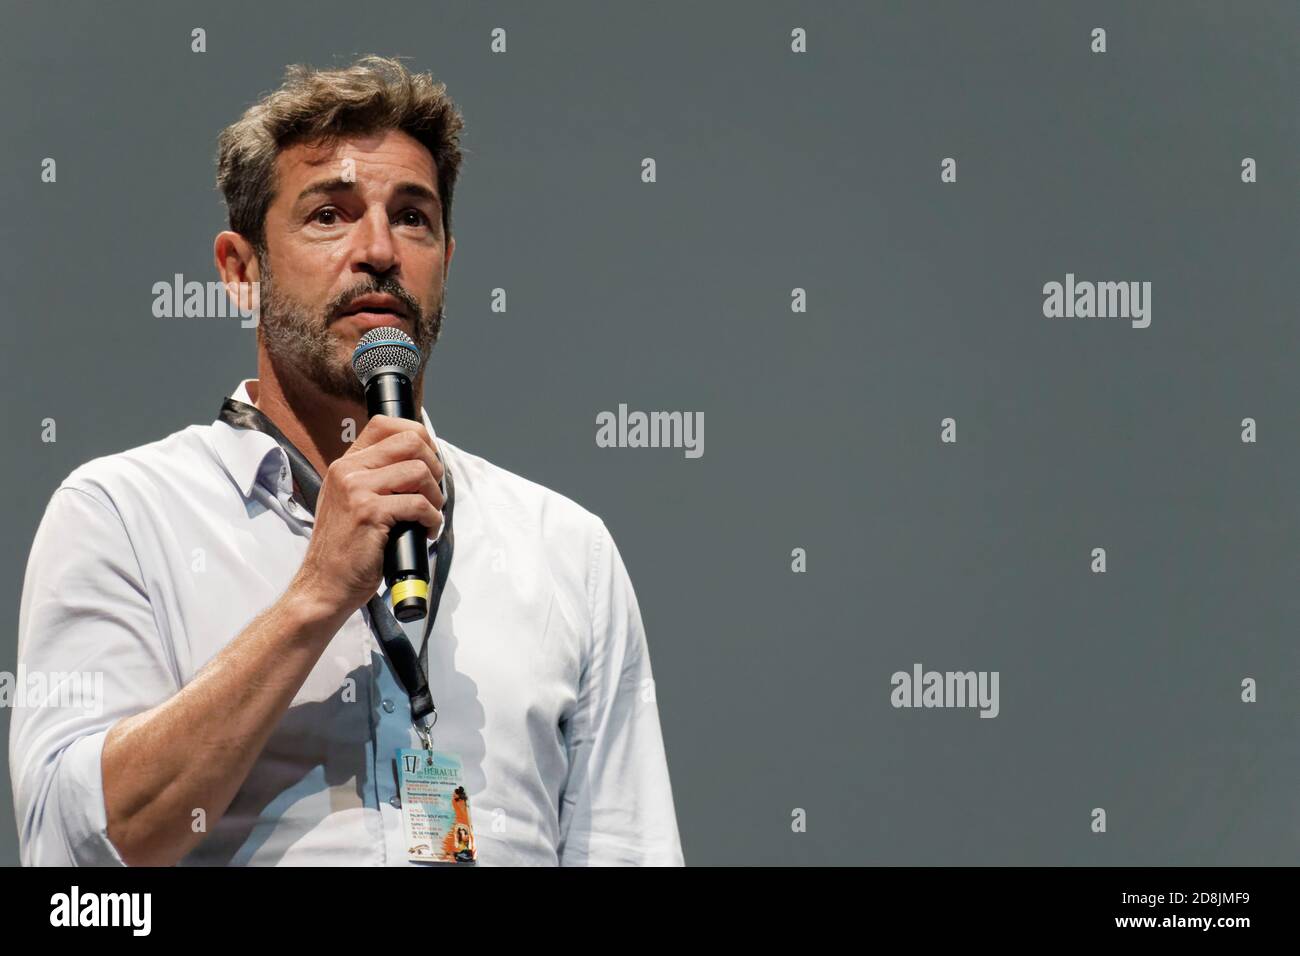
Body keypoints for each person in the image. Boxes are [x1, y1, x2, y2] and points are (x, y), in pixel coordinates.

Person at [9, 55, 684, 866]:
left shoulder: (567, 550)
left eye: (412, 218)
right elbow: (72, 857)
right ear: (241, 271)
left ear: (446, 261)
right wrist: (316, 595)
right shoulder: (122, 514)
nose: (378, 251)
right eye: (329, 215)